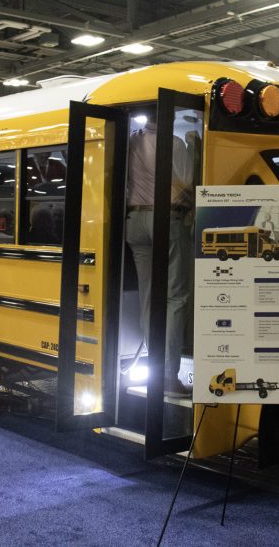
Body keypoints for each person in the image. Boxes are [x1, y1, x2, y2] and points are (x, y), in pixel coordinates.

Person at [125, 115, 194, 396]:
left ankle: (154, 368)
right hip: (165, 219)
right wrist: (196, 148)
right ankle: (167, 375)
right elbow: (186, 183)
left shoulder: (131, 142)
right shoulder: (174, 143)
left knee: (148, 296)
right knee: (176, 296)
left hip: (135, 223)